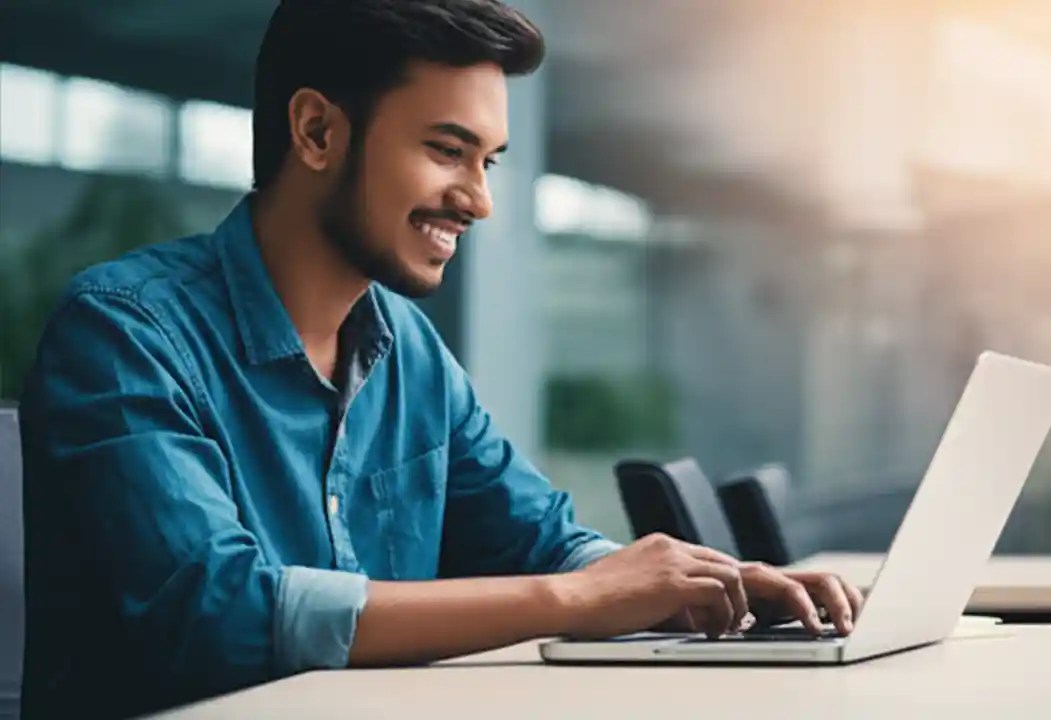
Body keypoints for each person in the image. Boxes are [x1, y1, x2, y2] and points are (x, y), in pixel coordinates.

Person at [19, 1, 862, 717]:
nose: (480, 199)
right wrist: (573, 600)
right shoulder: (125, 330)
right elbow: (215, 610)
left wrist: (694, 583)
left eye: (488, 161)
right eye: (447, 150)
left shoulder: (408, 351)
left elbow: (539, 538)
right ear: (317, 131)